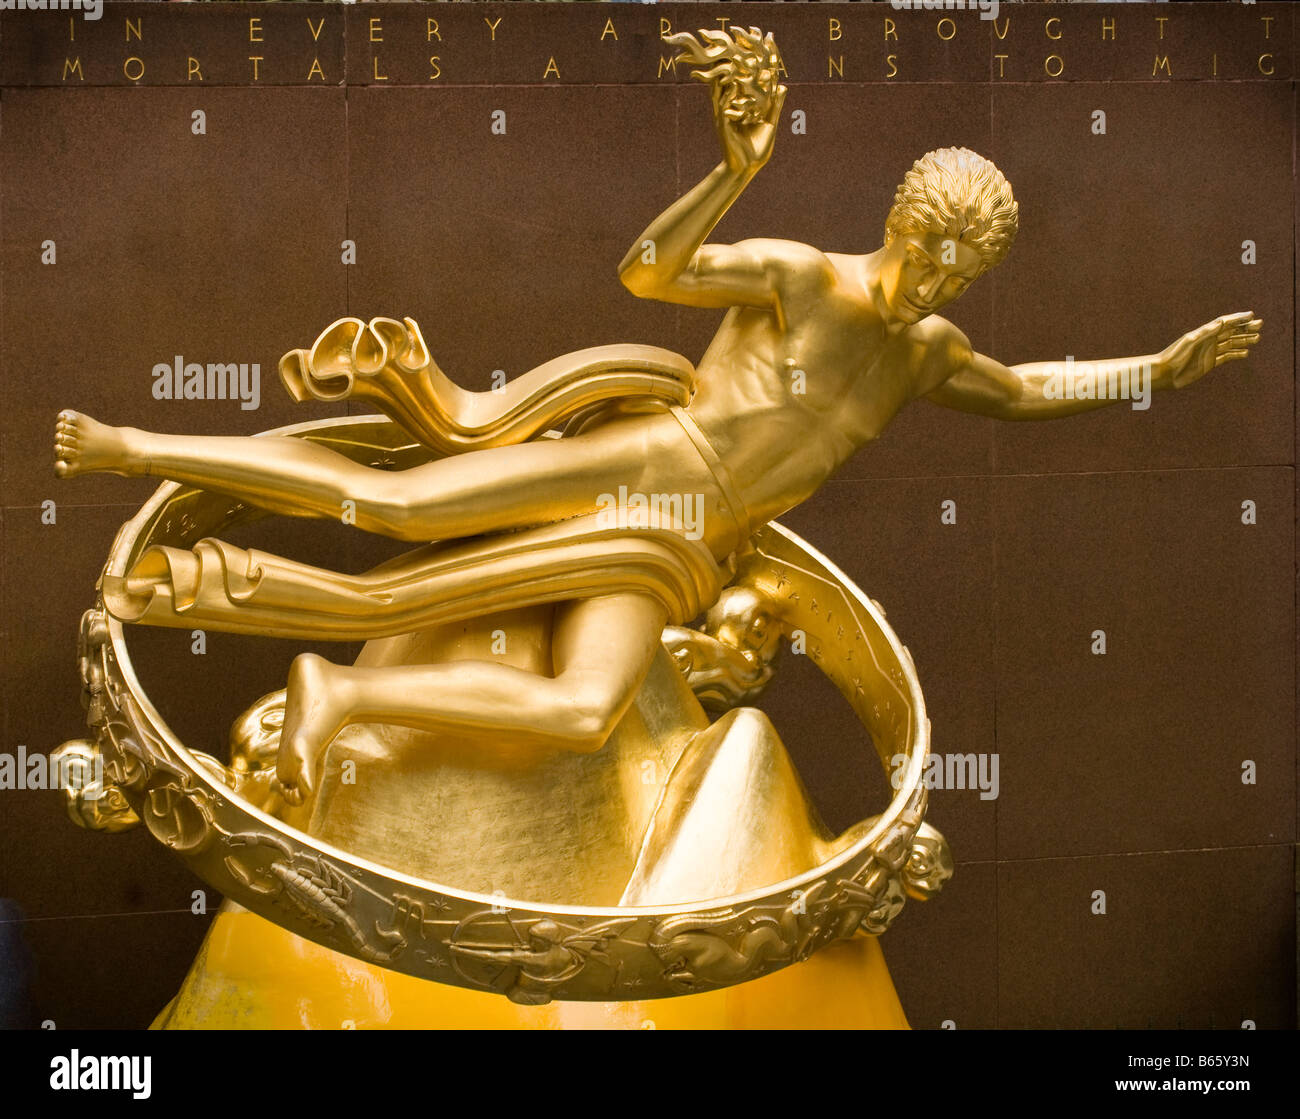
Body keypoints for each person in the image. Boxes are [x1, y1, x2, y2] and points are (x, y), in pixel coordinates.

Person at [53, 28, 1260, 802]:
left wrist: (1154, 369)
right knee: (397, 506)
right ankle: (137, 444)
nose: (944, 277)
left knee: (581, 715)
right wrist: (736, 169)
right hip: (652, 462)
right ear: (903, 218)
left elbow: (1028, 391)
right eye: (937, 247)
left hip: (688, 549)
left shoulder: (927, 355)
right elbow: (647, 274)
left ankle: (342, 695)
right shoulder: (801, 275)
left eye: (968, 266)